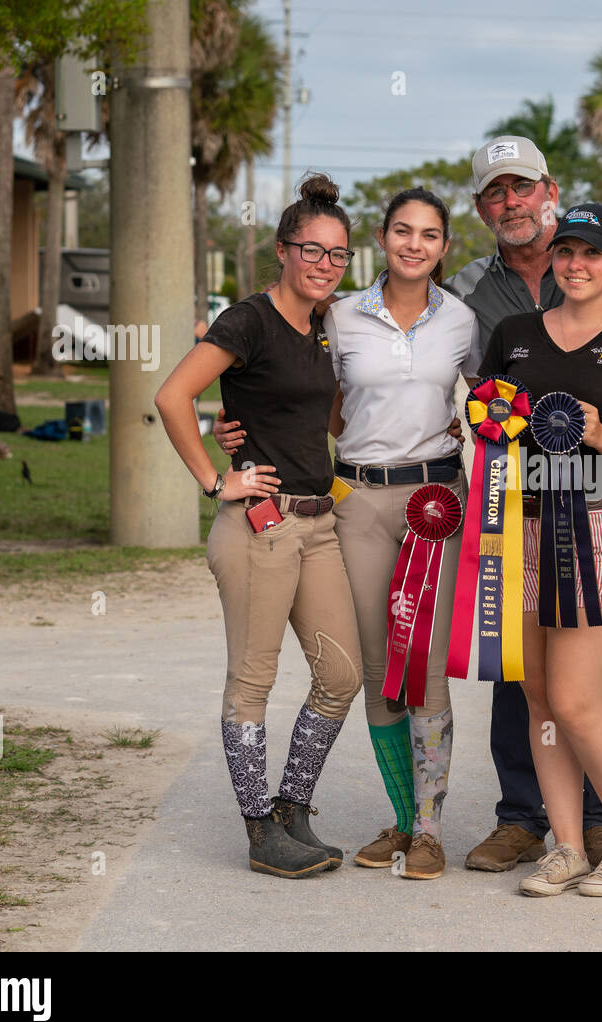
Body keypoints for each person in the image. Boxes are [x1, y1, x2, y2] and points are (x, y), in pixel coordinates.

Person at [216, 187, 481, 880]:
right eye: (401, 230)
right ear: (384, 240)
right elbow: (307, 397)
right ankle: (399, 817)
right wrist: (234, 430)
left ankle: (429, 829)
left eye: (429, 234)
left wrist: (468, 424)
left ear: (444, 246)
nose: (414, 244)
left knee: (422, 665)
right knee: (373, 666)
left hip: (436, 499)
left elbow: (489, 403)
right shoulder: (339, 316)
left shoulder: (462, 320)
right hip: (356, 500)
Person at [446, 135, 602, 872]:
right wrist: (473, 426)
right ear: (483, 206)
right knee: (527, 682)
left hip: (599, 516)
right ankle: (533, 825)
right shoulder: (482, 301)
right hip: (515, 518)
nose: (509, 202)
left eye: (521, 188)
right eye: (494, 193)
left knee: (597, 683)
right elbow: (482, 404)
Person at [154, 174, 363, 879]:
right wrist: (217, 478)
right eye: (313, 250)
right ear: (282, 250)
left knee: (341, 672)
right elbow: (172, 393)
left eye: (338, 255)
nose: (325, 265)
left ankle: (291, 806)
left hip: (318, 522)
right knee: (253, 679)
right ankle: (257, 831)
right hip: (259, 526)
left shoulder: (327, 328)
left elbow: (324, 417)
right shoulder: (249, 320)